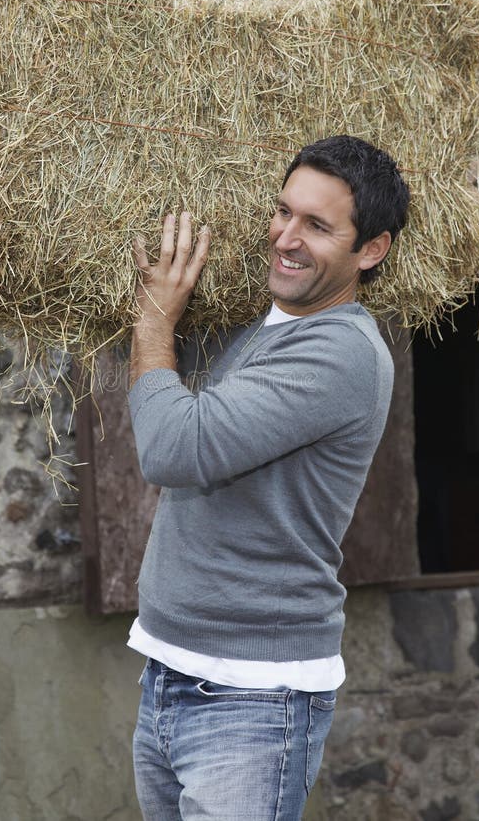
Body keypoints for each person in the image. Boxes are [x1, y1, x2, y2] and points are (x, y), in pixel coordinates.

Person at [126, 135, 410, 820]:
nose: (285, 237)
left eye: (317, 226)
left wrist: (155, 315)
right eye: (283, 212)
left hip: (253, 700)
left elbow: (172, 447)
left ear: (371, 250)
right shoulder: (257, 328)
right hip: (168, 672)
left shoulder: (341, 352)